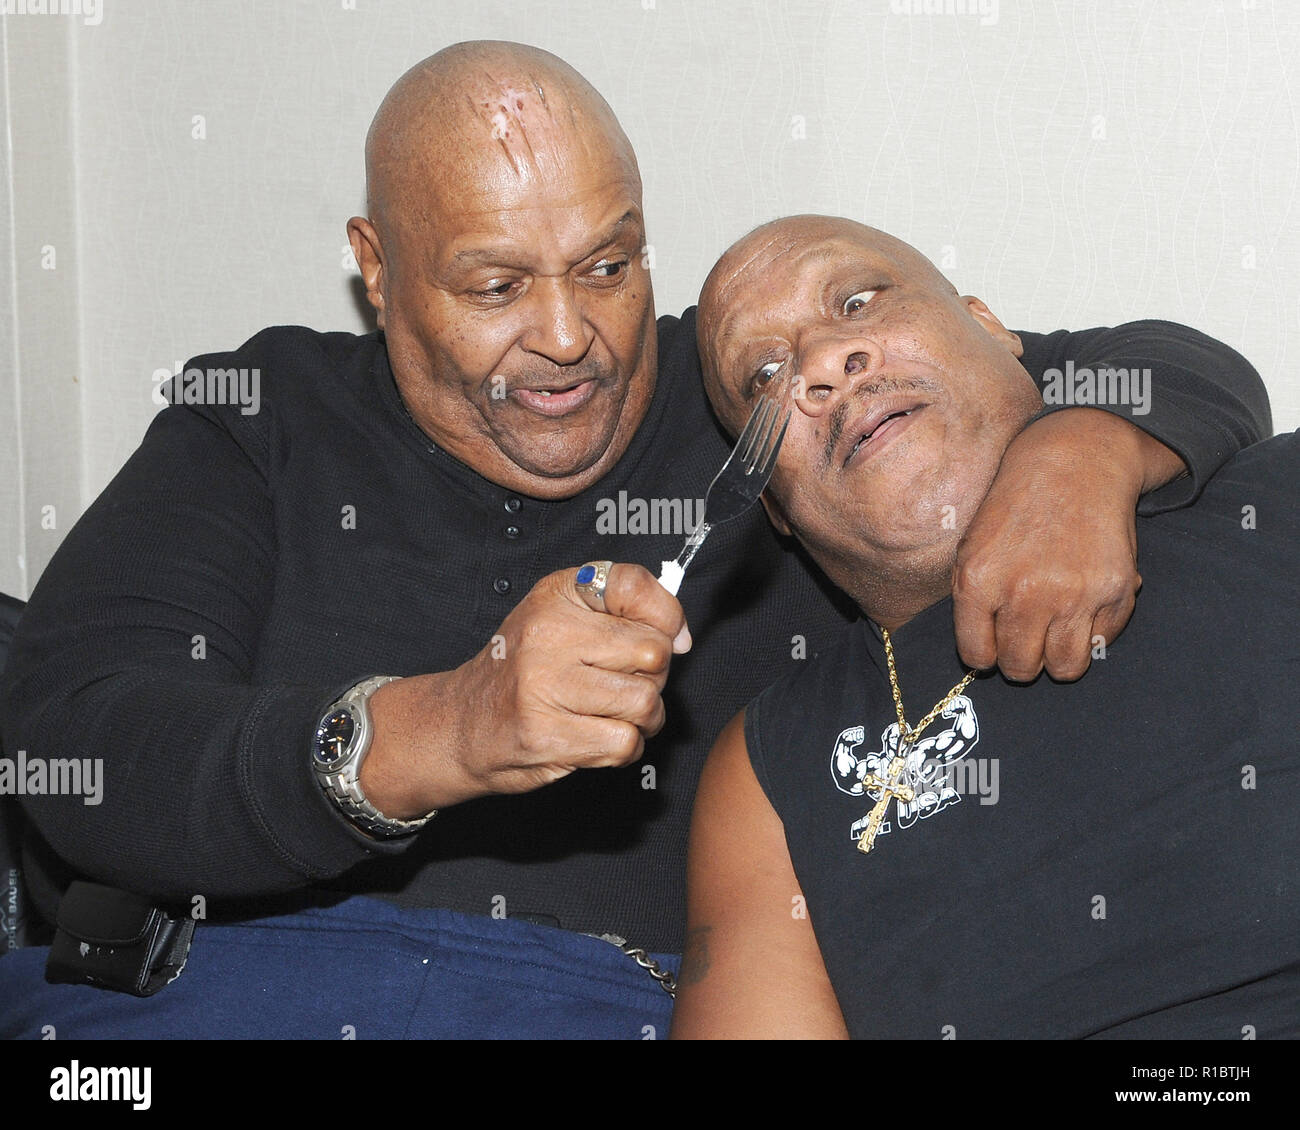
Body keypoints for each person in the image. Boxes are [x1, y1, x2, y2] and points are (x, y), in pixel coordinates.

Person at [0, 43, 1272, 1039]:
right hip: (205, 1004)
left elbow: (1081, 372)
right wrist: (441, 729)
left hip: (616, 1007)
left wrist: (1079, 451)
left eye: (608, 265)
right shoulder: (265, 417)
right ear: (376, 268)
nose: (569, 338)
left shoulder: (754, 405)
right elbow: (69, 743)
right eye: (497, 286)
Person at [670, 215, 1297, 1039]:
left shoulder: (1273, 504)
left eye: (857, 301)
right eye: (766, 374)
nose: (824, 363)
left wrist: (1077, 452)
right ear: (776, 513)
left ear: (996, 328)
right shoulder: (769, 772)